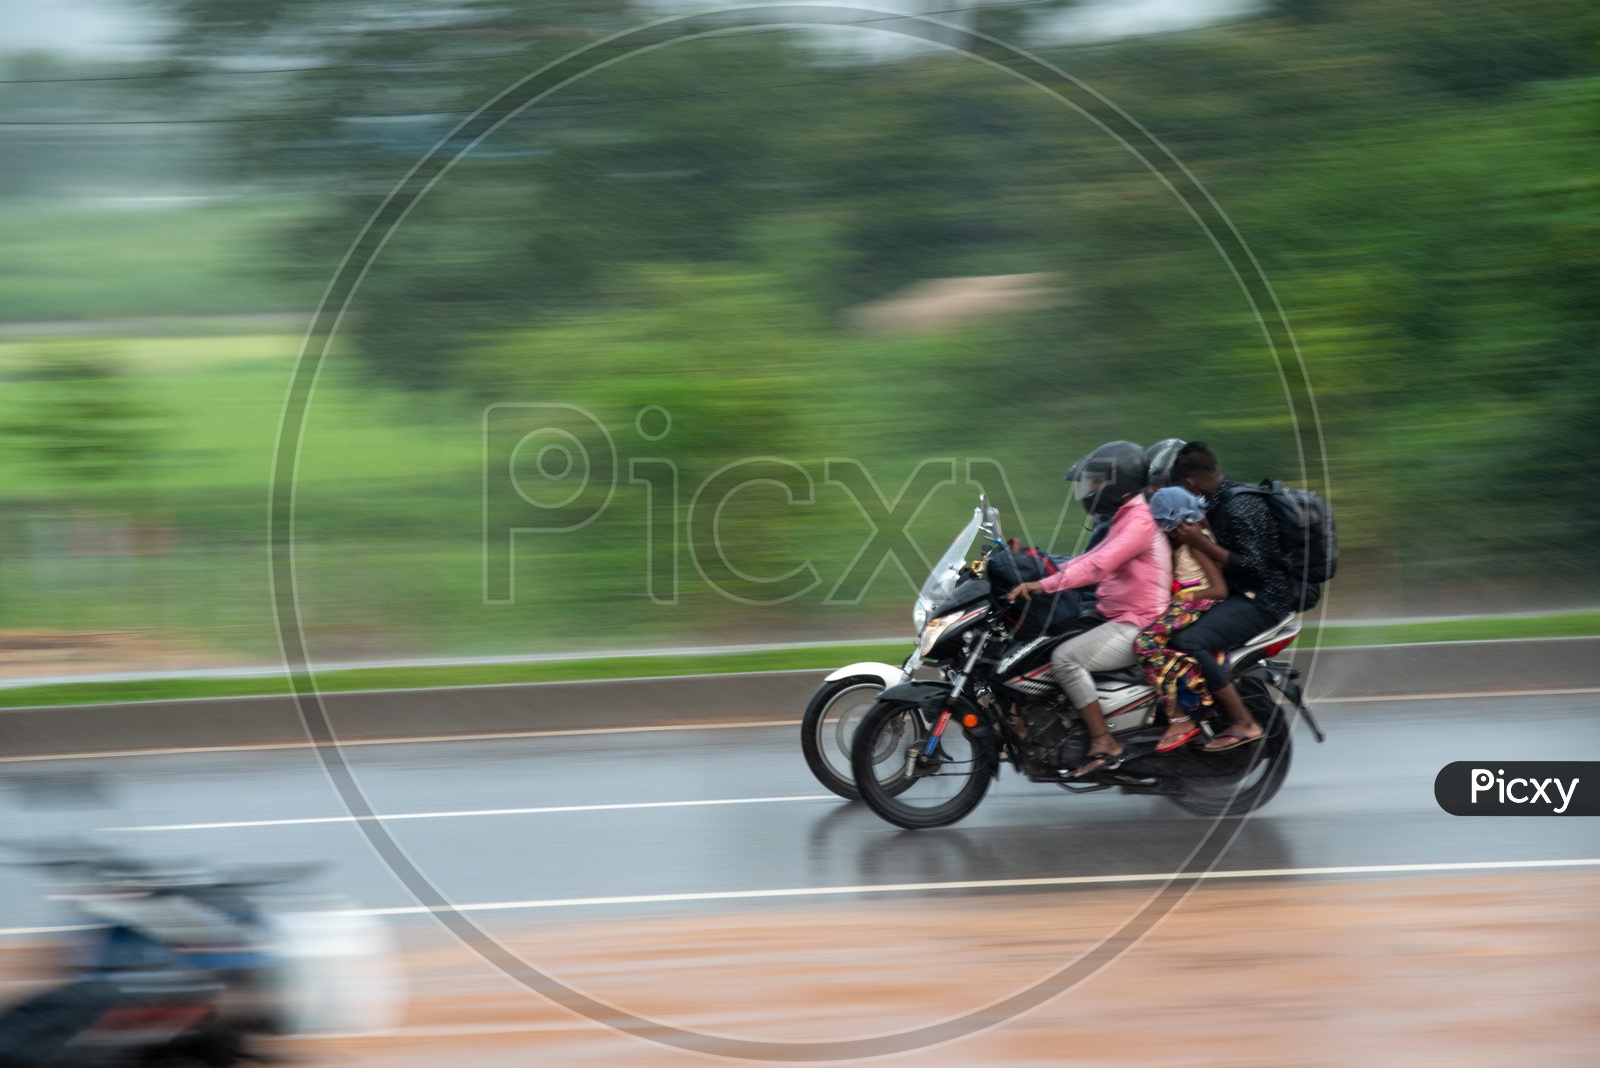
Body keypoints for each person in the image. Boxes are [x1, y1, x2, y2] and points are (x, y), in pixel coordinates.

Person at [1006, 441, 1171, 776]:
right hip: (1113, 613)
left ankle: (1103, 741)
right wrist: (1040, 565)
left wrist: (1045, 584)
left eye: (1096, 481)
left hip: (1138, 622)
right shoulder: (1124, 515)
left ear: (1118, 483)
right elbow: (1087, 559)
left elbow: (1098, 567)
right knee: (1046, 639)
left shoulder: (1138, 520)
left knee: (1066, 658)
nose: (1090, 488)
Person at [1168, 441, 1301, 751]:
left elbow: (1257, 566)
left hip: (1265, 599)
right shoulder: (1218, 500)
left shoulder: (1240, 504)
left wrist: (1199, 543)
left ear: (1191, 482)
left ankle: (1244, 721)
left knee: (1189, 642)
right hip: (1242, 594)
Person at [1133, 487, 1230, 753]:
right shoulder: (1188, 543)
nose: (1171, 533)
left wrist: (1185, 596)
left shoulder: (1197, 543)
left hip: (1201, 604)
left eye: (1174, 527)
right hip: (1189, 603)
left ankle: (1182, 714)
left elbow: (1219, 589)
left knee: (1145, 642)